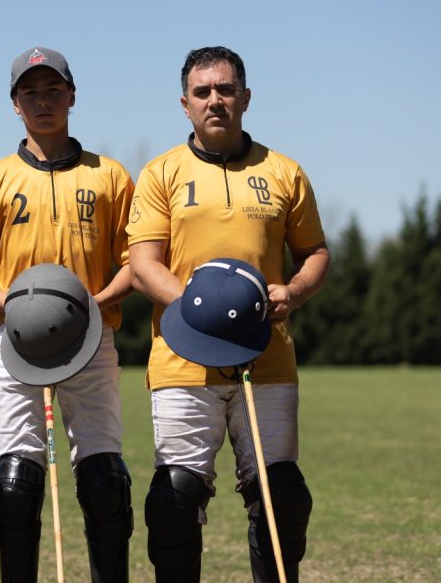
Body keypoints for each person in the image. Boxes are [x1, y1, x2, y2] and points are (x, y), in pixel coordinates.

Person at [127, 46, 330, 582]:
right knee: (173, 502)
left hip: (266, 359)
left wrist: (296, 290)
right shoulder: (161, 173)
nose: (214, 100)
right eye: (202, 92)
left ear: (245, 96)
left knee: (280, 498)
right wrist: (201, 314)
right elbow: (143, 263)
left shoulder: (284, 172)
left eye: (224, 89)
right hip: (181, 361)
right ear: (185, 103)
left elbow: (315, 253)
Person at [0, 47, 136, 582]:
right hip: (17, 345)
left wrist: (95, 306)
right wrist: (10, 308)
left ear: (72, 96)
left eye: (53, 90)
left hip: (94, 339)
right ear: (14, 104)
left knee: (105, 481)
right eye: (30, 92)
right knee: (16, 483)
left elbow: (134, 262)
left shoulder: (111, 176)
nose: (43, 101)